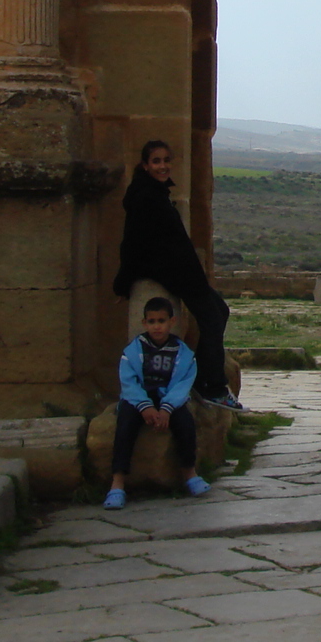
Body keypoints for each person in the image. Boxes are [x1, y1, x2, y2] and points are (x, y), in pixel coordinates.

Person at [111, 140, 243, 410]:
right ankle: (212, 386)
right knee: (213, 318)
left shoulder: (156, 192)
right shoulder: (144, 196)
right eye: (157, 161)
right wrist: (123, 283)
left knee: (219, 311)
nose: (163, 166)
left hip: (182, 272)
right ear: (145, 165)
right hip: (174, 273)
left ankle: (202, 379)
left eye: (166, 160)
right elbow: (132, 241)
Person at [104, 296, 211, 509]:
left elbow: (182, 384)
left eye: (161, 321)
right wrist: (145, 407)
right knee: (125, 425)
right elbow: (129, 381)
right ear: (144, 323)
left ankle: (189, 473)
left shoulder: (183, 354)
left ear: (172, 322)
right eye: (151, 321)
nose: (157, 327)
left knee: (185, 423)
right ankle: (117, 483)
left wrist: (167, 409)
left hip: (168, 397)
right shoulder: (134, 350)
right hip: (139, 398)